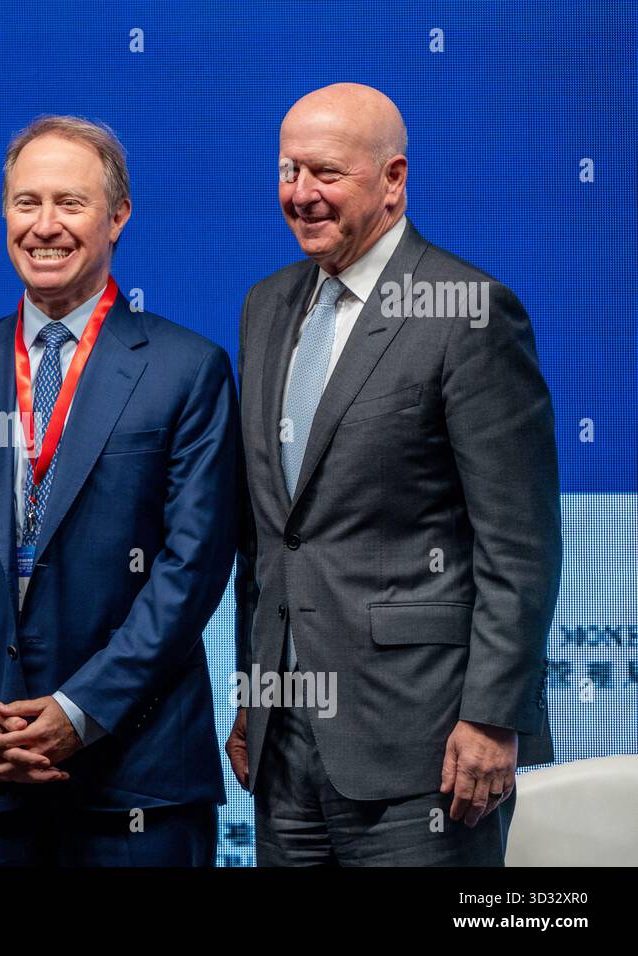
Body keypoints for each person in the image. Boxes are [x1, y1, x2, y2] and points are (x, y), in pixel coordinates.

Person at [226, 83, 560, 865]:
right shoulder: (265, 306)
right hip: (285, 747)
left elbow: (521, 543)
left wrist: (493, 715)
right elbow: (273, 534)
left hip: (428, 749)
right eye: (287, 171)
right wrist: (257, 692)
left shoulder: (469, 311)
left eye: (326, 173)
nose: (300, 194)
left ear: (393, 179)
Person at [0, 116, 238, 866]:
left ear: (118, 217)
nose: (44, 226)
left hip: (134, 781)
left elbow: (191, 570)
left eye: (71, 204)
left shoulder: (188, 369)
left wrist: (80, 713)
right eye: (25, 203)